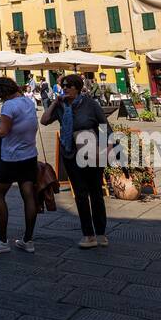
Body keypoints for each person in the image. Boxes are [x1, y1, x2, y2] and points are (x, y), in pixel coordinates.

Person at [42, 73, 109, 248]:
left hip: (91, 153)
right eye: (63, 86)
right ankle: (88, 235)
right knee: (80, 194)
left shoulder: (90, 105)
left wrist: (107, 151)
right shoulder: (61, 106)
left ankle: (101, 233)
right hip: (70, 154)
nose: (65, 88)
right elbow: (44, 120)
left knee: (96, 193)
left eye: (68, 86)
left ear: (77, 88)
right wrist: (55, 102)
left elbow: (105, 127)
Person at [0, 77, 39, 253]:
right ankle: (28, 240)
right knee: (28, 195)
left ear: (3, 92)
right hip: (30, 155)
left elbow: (2, 132)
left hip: (12, 157)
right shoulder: (27, 102)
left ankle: (3, 240)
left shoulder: (9, 106)